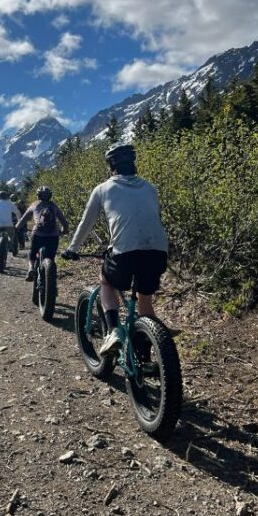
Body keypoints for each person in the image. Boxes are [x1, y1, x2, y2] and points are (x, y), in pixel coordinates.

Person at [61, 143, 168, 356]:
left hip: (125, 252)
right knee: (144, 300)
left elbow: (86, 223)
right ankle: (151, 344)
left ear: (111, 166)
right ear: (133, 163)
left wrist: (73, 248)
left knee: (106, 281)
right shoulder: (150, 187)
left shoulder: (102, 189)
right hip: (158, 251)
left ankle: (112, 332)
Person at [16, 186, 70, 281]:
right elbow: (64, 222)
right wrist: (64, 231)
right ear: (50, 196)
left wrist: (16, 228)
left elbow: (23, 220)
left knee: (32, 253)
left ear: (38, 196)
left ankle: (31, 268)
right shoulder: (54, 206)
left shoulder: (34, 205)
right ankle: (50, 274)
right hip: (53, 235)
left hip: (38, 234)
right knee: (51, 257)